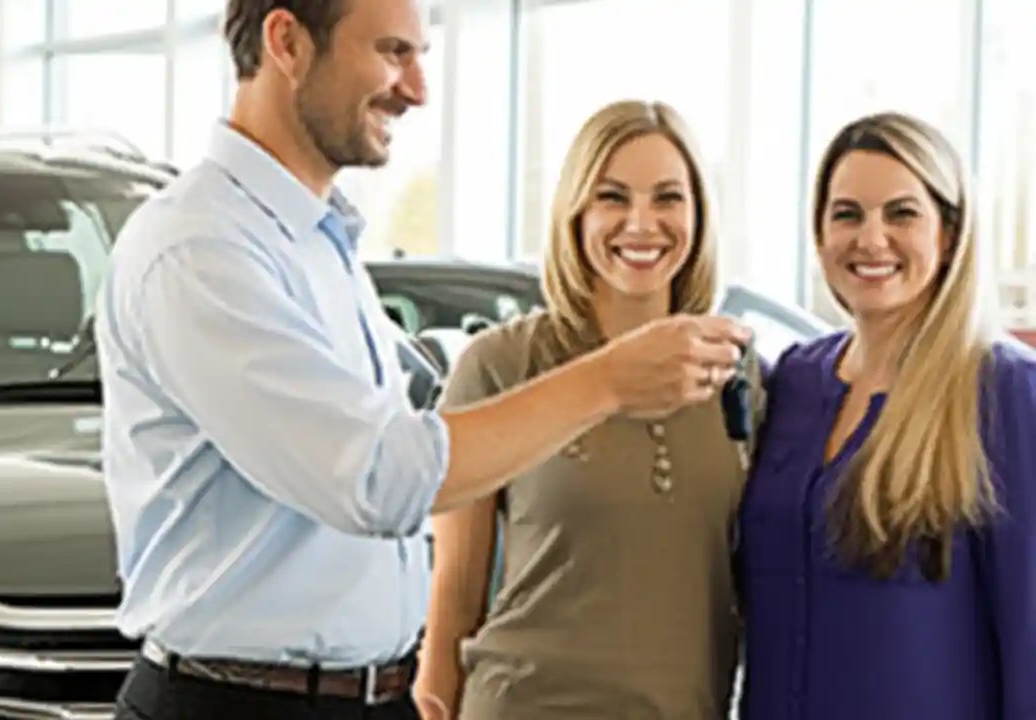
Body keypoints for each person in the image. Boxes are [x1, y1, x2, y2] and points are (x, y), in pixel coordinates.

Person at [96, 1, 750, 718]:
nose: (417, 89)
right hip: (238, 703)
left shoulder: (318, 245)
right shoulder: (200, 248)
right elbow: (379, 477)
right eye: (392, 52)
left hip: (365, 696)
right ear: (287, 42)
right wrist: (609, 379)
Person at [413, 99, 764, 720]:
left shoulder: (739, 375)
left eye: (667, 198)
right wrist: (436, 697)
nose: (641, 223)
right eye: (611, 197)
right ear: (574, 211)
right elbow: (454, 595)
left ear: (698, 213)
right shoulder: (501, 364)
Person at [736, 111, 1036, 719]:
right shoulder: (793, 379)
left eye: (901, 214)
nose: (871, 239)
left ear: (948, 234)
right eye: (847, 214)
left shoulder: (1004, 391)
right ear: (819, 234)